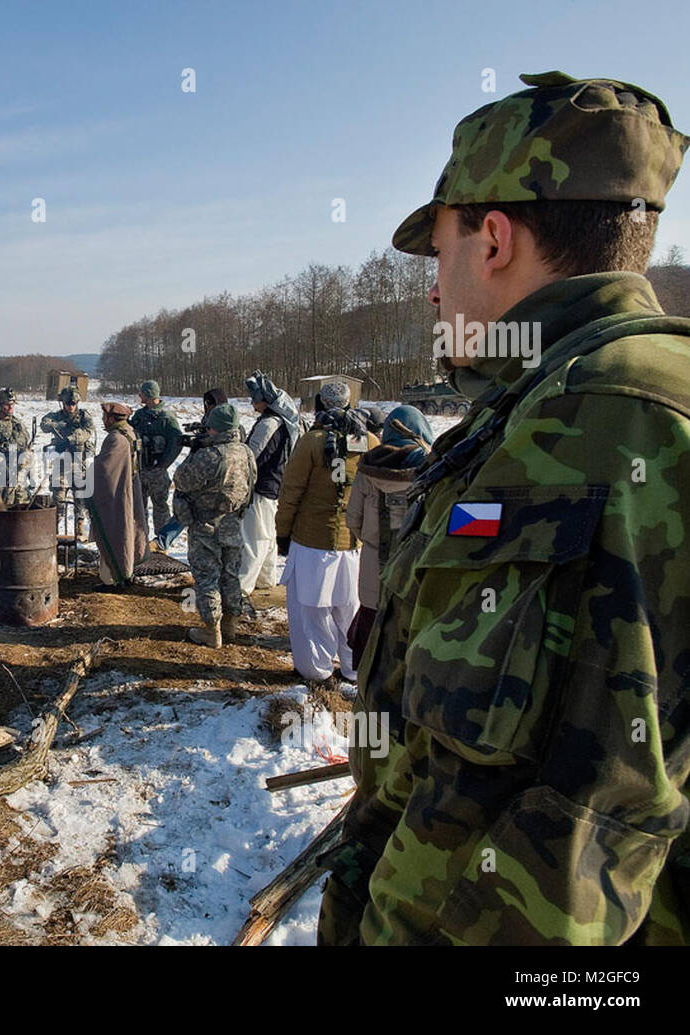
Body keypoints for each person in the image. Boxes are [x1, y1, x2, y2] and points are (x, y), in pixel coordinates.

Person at [319, 71, 690, 947]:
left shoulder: (594, 425)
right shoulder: (579, 400)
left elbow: (538, 847)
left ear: (493, 240)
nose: (431, 291)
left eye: (438, 253)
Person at [274, 379, 374, 689]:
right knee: (350, 609)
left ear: (320, 404)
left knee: (310, 611)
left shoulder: (312, 441)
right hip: (354, 541)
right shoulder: (370, 441)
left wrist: (282, 532)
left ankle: (315, 670)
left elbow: (291, 491)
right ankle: (354, 668)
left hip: (312, 541)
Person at [342, 405, 433, 669]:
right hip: (416, 566)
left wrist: (372, 542)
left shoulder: (368, 465)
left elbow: (353, 520)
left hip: (373, 563)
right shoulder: (432, 464)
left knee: (371, 632)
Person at [171, 403, 257, 646]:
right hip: (233, 524)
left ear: (214, 429)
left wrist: (195, 452)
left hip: (205, 525)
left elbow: (182, 479)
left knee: (207, 577)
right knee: (231, 576)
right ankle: (231, 625)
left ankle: (212, 631)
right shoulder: (246, 452)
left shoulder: (210, 456)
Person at [239, 372, 299, 599]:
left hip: (261, 487)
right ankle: (266, 580)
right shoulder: (282, 422)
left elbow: (253, 456)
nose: (252, 403)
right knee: (268, 537)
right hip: (273, 486)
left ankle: (242, 586)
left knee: (254, 539)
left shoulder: (269, 424)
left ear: (266, 400)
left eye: (254, 398)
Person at [151, 386, 228, 552]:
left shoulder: (226, 420)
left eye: (209, 404)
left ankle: (164, 540)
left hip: (216, 473)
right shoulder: (210, 418)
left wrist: (199, 442)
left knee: (190, 505)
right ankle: (163, 540)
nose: (206, 407)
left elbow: (223, 443)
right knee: (186, 504)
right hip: (202, 469)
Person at [87, 402, 147, 588]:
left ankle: (113, 578)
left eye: (105, 417)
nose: (103, 420)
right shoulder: (129, 432)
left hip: (117, 492)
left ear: (112, 419)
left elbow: (105, 469)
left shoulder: (116, 438)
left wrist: (87, 473)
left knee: (114, 530)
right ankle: (126, 571)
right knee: (128, 528)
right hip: (128, 487)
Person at [40, 385, 96, 540]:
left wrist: (71, 439)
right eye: (68, 404)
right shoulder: (57, 416)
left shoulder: (84, 416)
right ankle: (53, 532)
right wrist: (58, 426)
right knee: (58, 499)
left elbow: (88, 431)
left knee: (80, 499)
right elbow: (44, 424)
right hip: (61, 465)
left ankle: (80, 531)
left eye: (73, 404)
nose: (71, 407)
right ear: (63, 403)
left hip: (79, 463)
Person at [129, 380, 183, 537]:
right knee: (139, 507)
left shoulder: (167, 418)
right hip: (140, 469)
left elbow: (176, 443)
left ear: (149, 394)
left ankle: (160, 542)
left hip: (157, 472)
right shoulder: (139, 415)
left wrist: (163, 464)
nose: (140, 396)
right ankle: (140, 540)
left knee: (160, 507)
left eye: (142, 393)